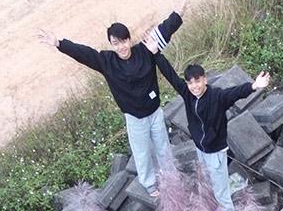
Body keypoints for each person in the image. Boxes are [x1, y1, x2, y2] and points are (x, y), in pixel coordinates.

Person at [37, 12, 183, 197]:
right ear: (111, 45)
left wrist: (180, 12)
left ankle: (171, 177)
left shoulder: (144, 50)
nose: (121, 47)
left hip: (154, 112)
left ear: (129, 40)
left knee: (163, 147)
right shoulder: (107, 61)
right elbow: (84, 53)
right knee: (142, 153)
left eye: (123, 41)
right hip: (135, 118)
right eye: (116, 43)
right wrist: (59, 43)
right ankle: (150, 185)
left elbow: (165, 29)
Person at [154, 57, 270, 211]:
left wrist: (254, 85)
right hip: (200, 148)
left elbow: (235, 93)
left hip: (215, 150)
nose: (194, 86)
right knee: (210, 180)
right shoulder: (187, 93)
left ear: (204, 80)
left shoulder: (217, 96)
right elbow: (171, 75)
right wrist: (156, 54)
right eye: (190, 83)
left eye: (198, 81)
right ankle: (221, 196)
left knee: (221, 193)